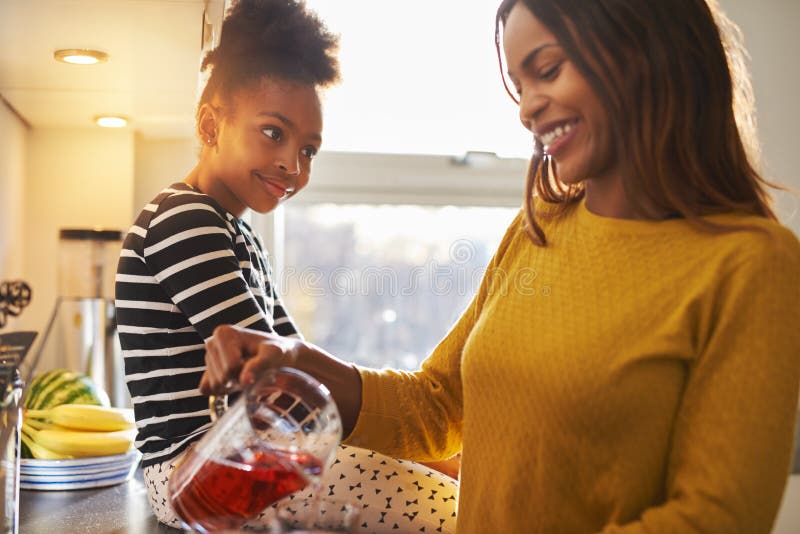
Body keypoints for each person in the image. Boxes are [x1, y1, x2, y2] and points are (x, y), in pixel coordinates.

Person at [199, 0, 800, 533]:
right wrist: (295, 361)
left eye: (547, 70)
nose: (527, 108)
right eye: (519, 84)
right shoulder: (542, 225)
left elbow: (713, 518)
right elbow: (437, 405)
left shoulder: (750, 265)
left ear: (641, 52)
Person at [114, 1, 457, 532]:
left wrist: (422, 453)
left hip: (228, 459)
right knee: (451, 509)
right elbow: (279, 390)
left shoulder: (234, 231)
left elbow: (298, 368)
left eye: (310, 150)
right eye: (274, 132)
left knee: (449, 484)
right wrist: (422, 459)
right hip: (197, 472)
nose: (293, 165)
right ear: (210, 125)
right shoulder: (185, 219)